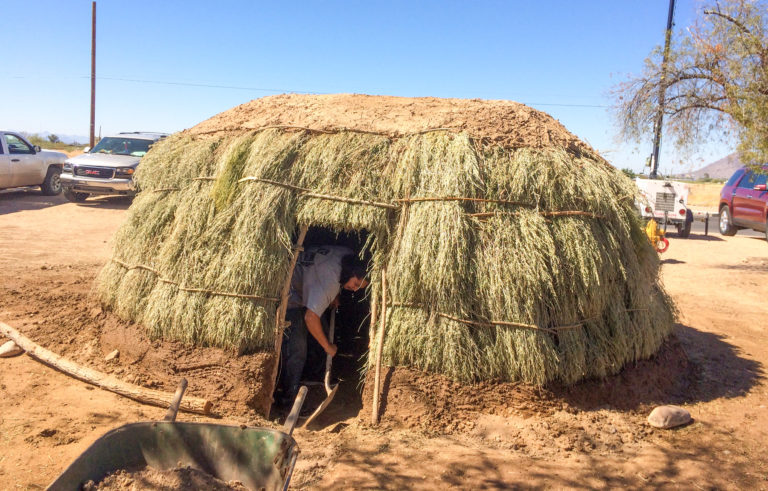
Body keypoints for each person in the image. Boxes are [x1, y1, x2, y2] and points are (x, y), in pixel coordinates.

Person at [277, 245, 368, 407]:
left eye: (358, 288)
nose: (354, 290)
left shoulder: (347, 255)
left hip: (306, 284)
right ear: (351, 273)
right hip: (288, 293)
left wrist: (335, 294)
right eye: (355, 284)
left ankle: (314, 378)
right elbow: (310, 317)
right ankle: (288, 398)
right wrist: (328, 347)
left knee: (322, 331)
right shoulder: (329, 281)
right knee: (297, 348)